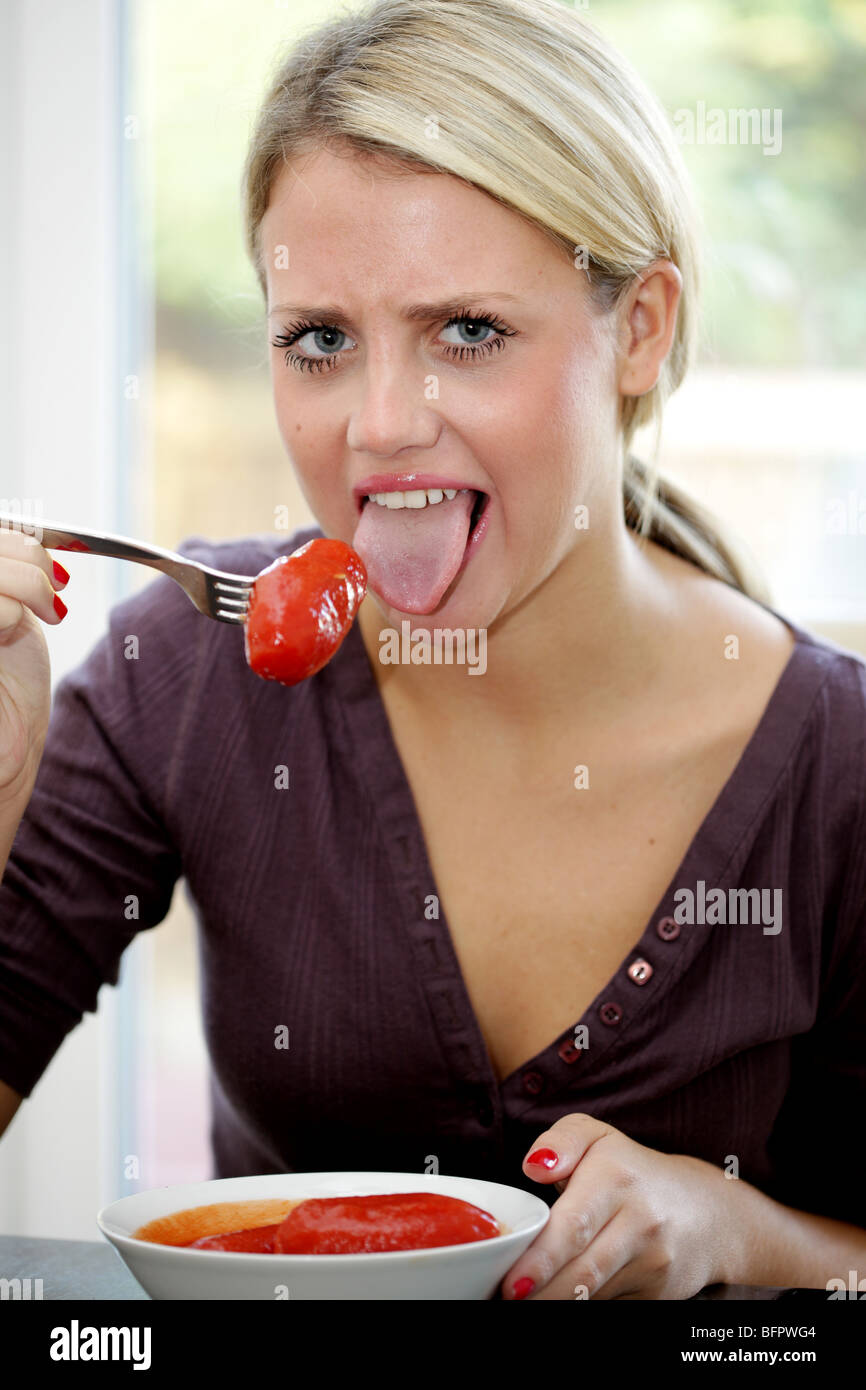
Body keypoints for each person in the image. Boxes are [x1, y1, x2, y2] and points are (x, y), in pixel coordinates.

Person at [1, 0, 864, 1301]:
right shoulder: (180, 668)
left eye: (467, 331)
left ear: (639, 330)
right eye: (320, 341)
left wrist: (747, 1238)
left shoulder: (835, 767)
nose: (380, 426)